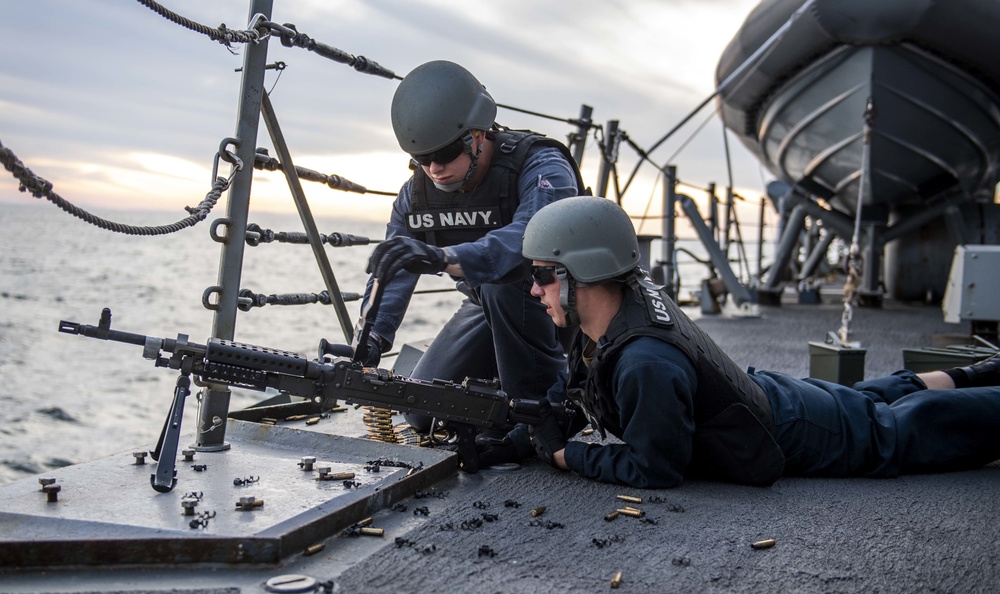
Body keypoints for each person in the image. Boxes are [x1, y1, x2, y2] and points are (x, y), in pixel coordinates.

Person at [490, 196, 1000, 489]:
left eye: (543, 275)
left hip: (788, 430)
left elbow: (655, 467)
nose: (534, 290)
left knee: (891, 430)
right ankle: (975, 373)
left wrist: (564, 457)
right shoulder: (618, 307)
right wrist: (523, 433)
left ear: (584, 273)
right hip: (768, 397)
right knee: (867, 399)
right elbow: (585, 393)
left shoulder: (645, 362)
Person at [359, 60, 586, 431]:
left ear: (479, 135)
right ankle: (509, 384)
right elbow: (395, 266)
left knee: (502, 287)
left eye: (446, 154)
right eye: (422, 159)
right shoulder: (417, 196)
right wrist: (371, 338)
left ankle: (547, 412)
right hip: (489, 306)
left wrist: (444, 258)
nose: (434, 168)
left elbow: (528, 240)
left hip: (566, 308)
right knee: (422, 412)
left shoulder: (541, 165)